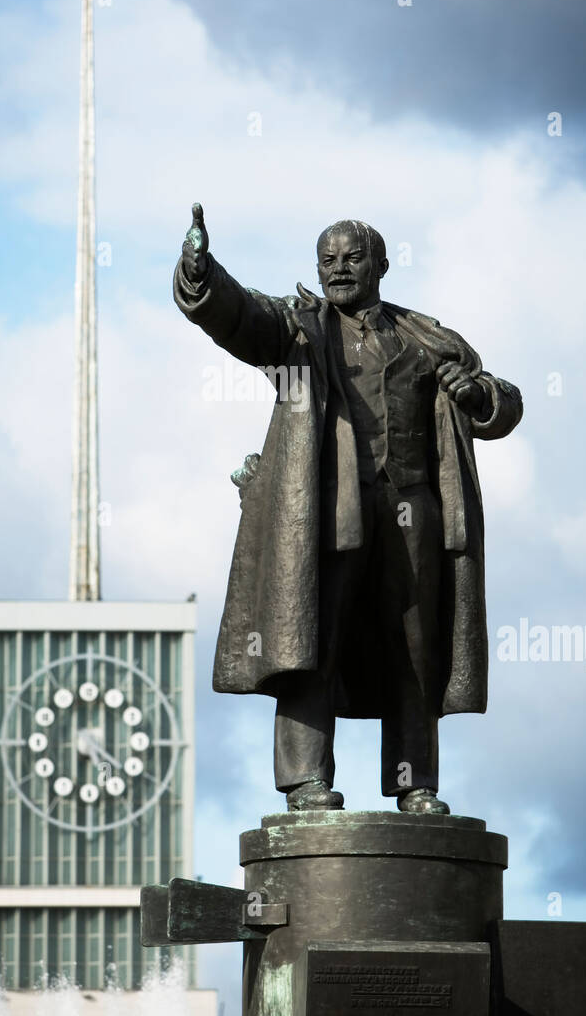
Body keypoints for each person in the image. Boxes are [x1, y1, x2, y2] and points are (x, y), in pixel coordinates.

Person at [174, 204, 523, 814]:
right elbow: (242, 317)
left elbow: (502, 400)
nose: (338, 269)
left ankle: (415, 785)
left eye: (352, 258)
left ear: (381, 266)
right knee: (310, 637)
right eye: (327, 260)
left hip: (414, 511)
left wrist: (480, 396)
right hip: (327, 510)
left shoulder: (425, 337)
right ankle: (306, 781)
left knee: (415, 649)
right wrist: (201, 277)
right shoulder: (299, 330)